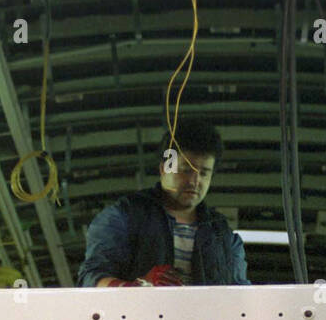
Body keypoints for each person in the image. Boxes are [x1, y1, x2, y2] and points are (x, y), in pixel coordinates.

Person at [77, 119, 249, 288]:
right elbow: (92, 279)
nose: (195, 181)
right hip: (141, 316)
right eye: (186, 170)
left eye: (204, 173)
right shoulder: (124, 217)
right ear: (164, 169)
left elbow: (241, 295)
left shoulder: (224, 236)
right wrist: (135, 288)